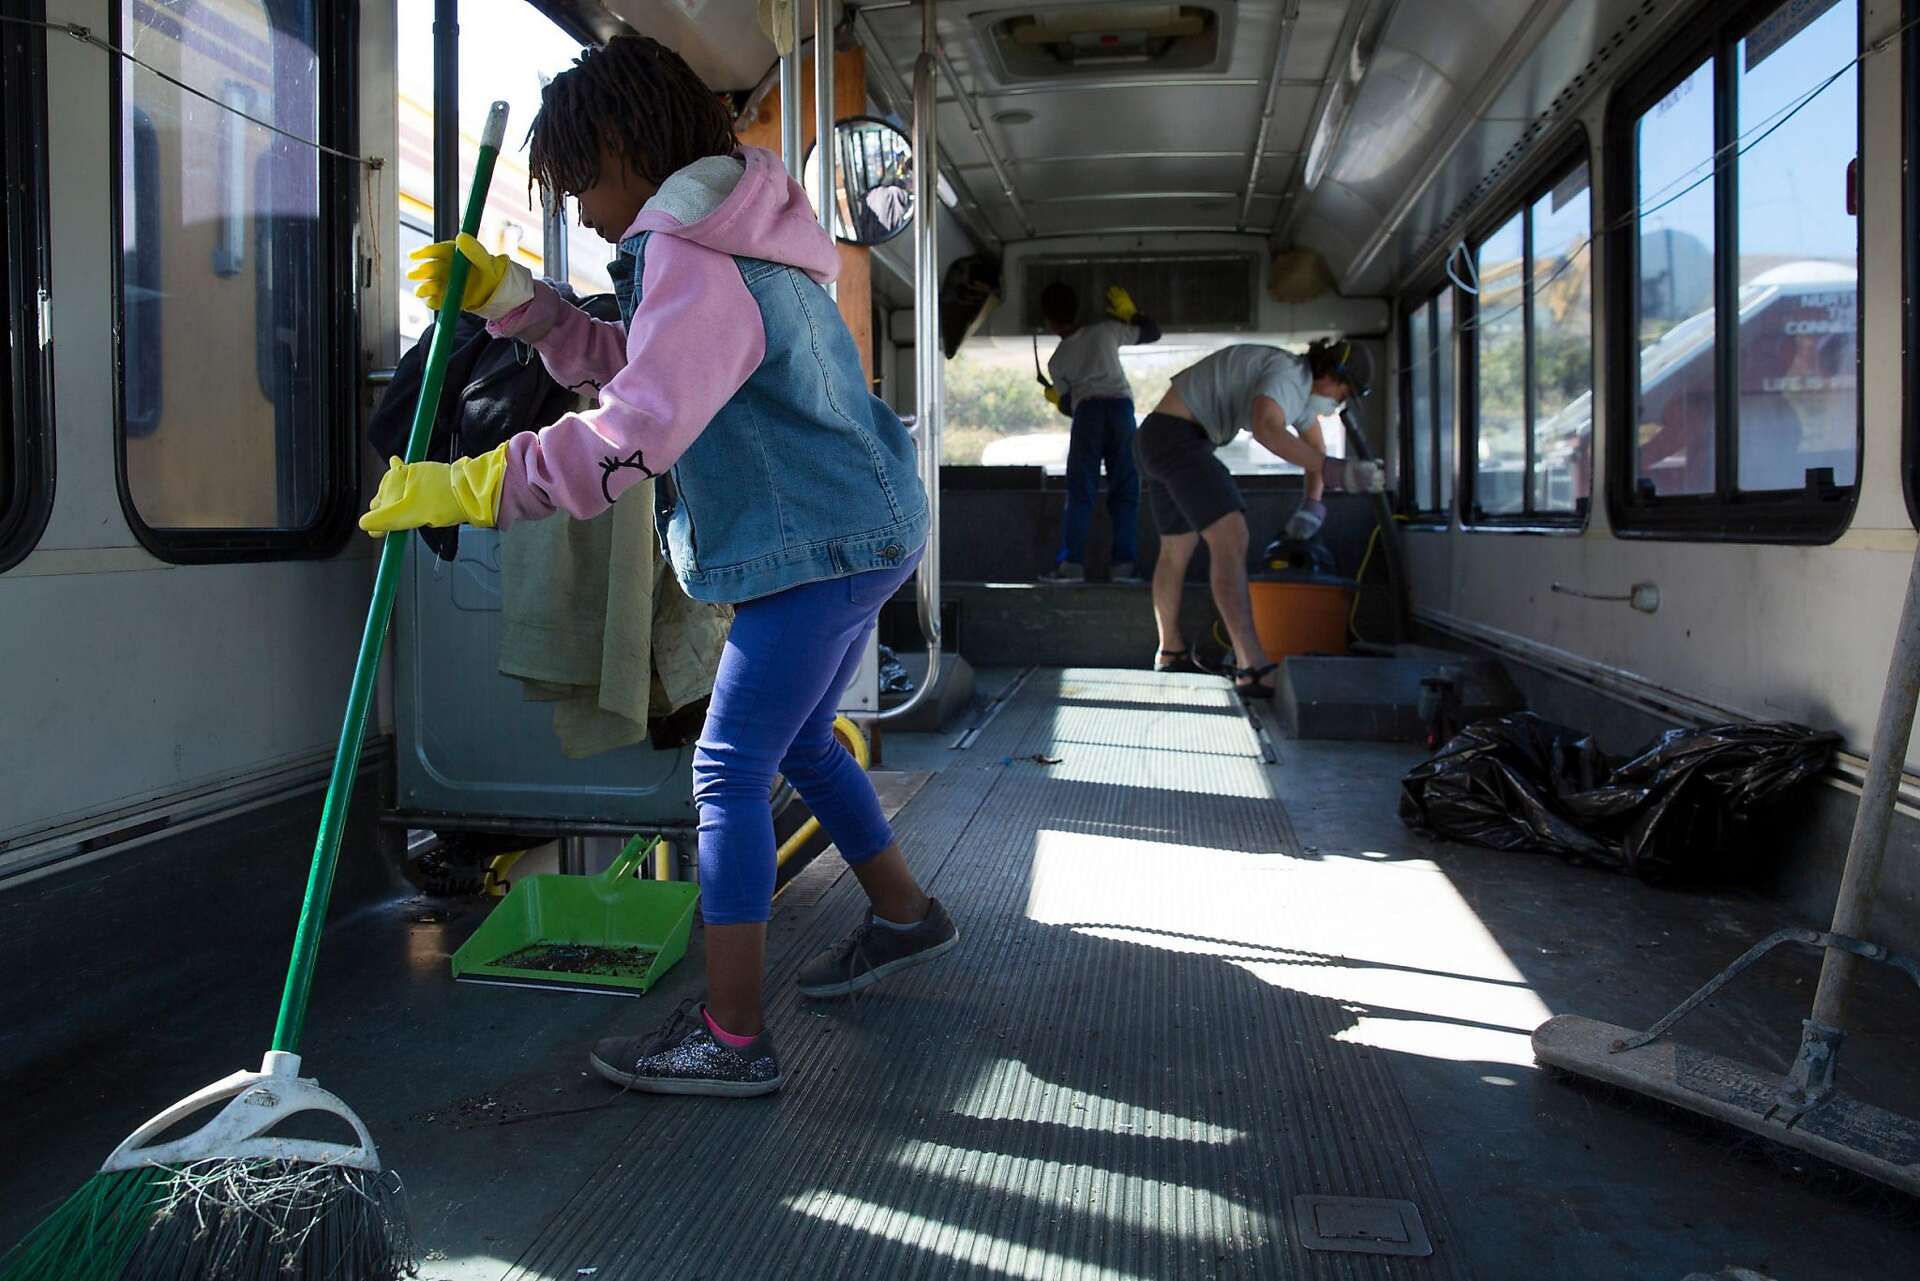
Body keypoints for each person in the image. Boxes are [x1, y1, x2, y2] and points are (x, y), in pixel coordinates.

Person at [365, 35, 959, 1098]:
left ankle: (732, 1036)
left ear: (621, 146)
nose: (584, 211)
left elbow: (635, 433)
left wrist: (477, 484)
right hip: (859, 525)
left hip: (815, 547)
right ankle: (906, 915)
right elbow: (646, 361)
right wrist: (520, 305)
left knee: (727, 768)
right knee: (802, 744)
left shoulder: (691, 251)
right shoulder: (740, 224)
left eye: (580, 183)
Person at [1136, 339, 1379, 698]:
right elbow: (1266, 427)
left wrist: (1312, 506)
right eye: (1342, 394)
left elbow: (1315, 449)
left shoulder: (1298, 392)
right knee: (1231, 537)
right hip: (1178, 438)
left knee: (1176, 549)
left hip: (1156, 437)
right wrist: (1339, 472)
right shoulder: (1289, 376)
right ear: (1330, 374)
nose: (1338, 405)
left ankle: (1170, 651)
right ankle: (1253, 668)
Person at [1036, 282, 1161, 582]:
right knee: (1126, 490)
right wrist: (1131, 314)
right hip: (1120, 411)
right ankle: (1124, 568)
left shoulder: (1057, 360)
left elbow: (1069, 406)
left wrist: (1055, 397)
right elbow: (1152, 333)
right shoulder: (1106, 331)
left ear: (1049, 322)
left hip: (1087, 415)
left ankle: (1072, 567)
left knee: (1081, 492)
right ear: (1078, 309)